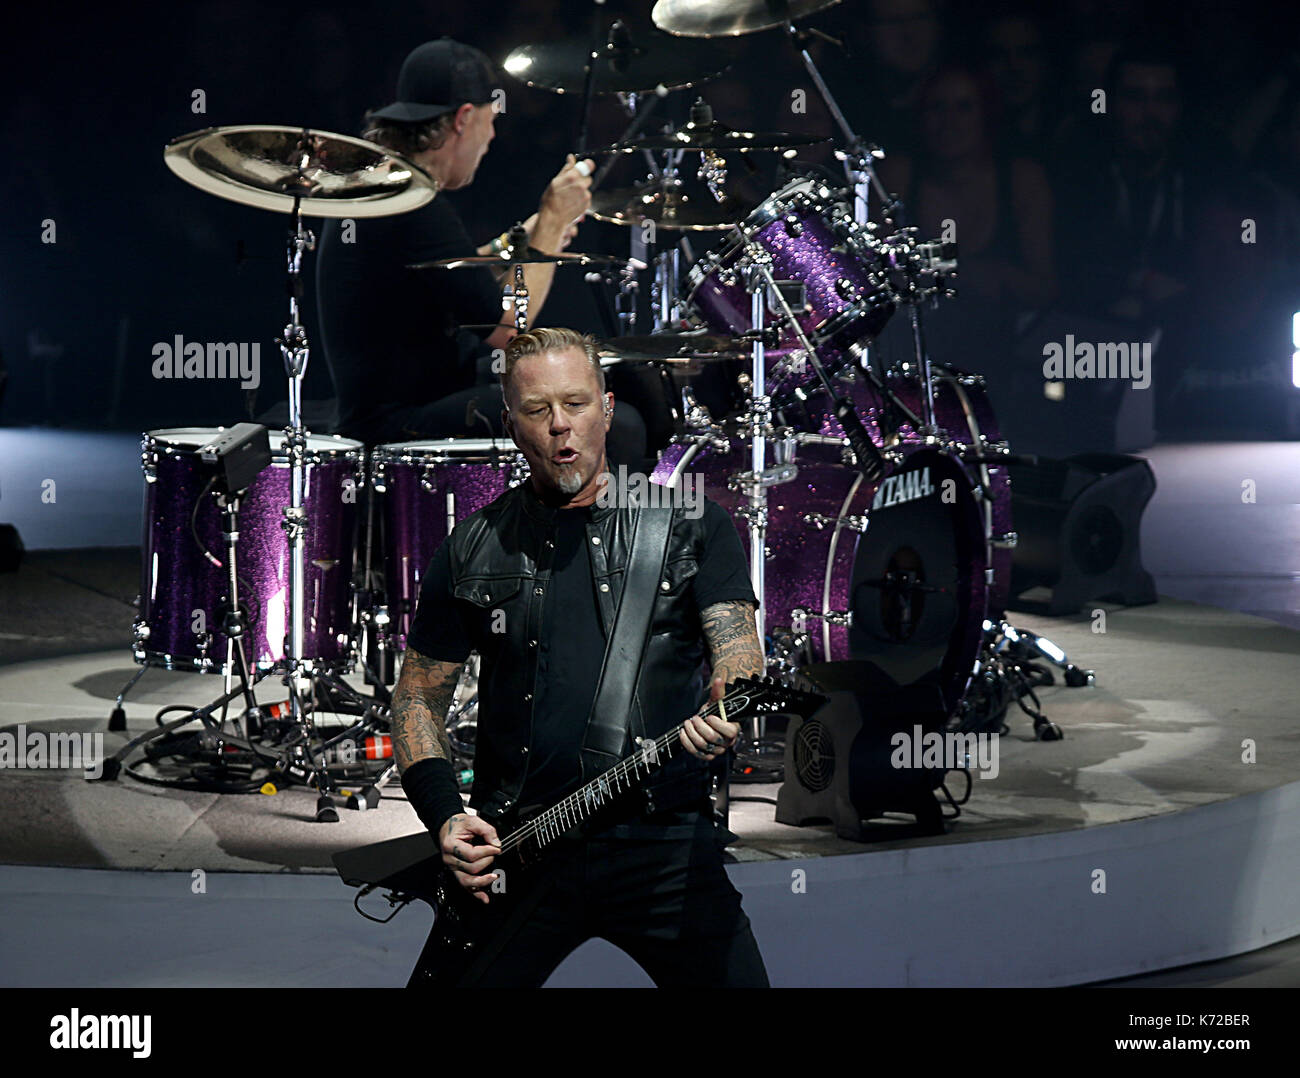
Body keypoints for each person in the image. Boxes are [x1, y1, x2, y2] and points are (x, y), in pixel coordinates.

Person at [390, 327, 770, 988]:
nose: (561, 426)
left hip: (665, 848)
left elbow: (740, 653)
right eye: (538, 411)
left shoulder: (691, 525)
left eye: (577, 404)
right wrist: (445, 813)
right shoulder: (473, 546)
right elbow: (419, 694)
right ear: (511, 425)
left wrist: (727, 702)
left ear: (608, 407)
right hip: (519, 849)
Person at [315, 38, 646, 464]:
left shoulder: (384, 186)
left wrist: (520, 241)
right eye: (491, 121)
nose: (491, 138)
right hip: (398, 421)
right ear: (463, 119)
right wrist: (550, 224)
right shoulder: (413, 202)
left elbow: (453, 277)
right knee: (617, 425)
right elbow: (510, 329)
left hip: (401, 403)